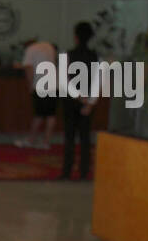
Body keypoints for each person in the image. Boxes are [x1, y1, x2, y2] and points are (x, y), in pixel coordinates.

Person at [59, 21, 98, 180]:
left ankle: (66, 172)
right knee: (85, 138)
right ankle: (83, 172)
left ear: (75, 37)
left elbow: (64, 81)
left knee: (69, 137)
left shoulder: (66, 55)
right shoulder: (95, 56)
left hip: (70, 101)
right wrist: (89, 102)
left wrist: (77, 97)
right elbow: (97, 81)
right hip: (87, 102)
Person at [18, 36, 59, 149]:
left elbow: (28, 68)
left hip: (40, 84)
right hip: (54, 83)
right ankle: (46, 141)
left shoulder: (30, 50)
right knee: (51, 114)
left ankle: (31, 140)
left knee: (39, 114)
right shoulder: (49, 46)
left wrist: (30, 85)